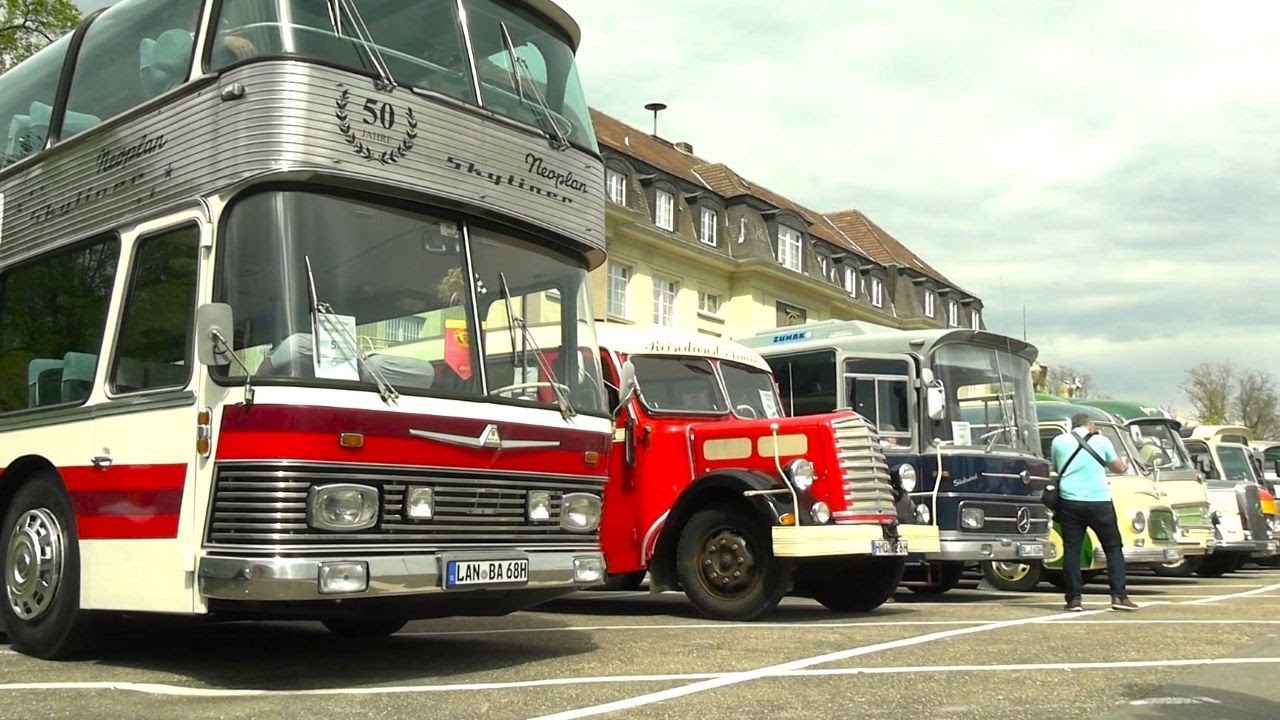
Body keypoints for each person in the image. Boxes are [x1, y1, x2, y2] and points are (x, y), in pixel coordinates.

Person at [1050, 413, 1137, 612]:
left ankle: (1074, 599)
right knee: (1113, 548)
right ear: (1091, 425)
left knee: (1072, 550)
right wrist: (1124, 464)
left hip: (1070, 500)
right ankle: (1119, 596)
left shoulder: (1059, 441)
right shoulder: (1102, 440)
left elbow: (1057, 466)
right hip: (1099, 501)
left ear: (1072, 425)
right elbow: (1118, 468)